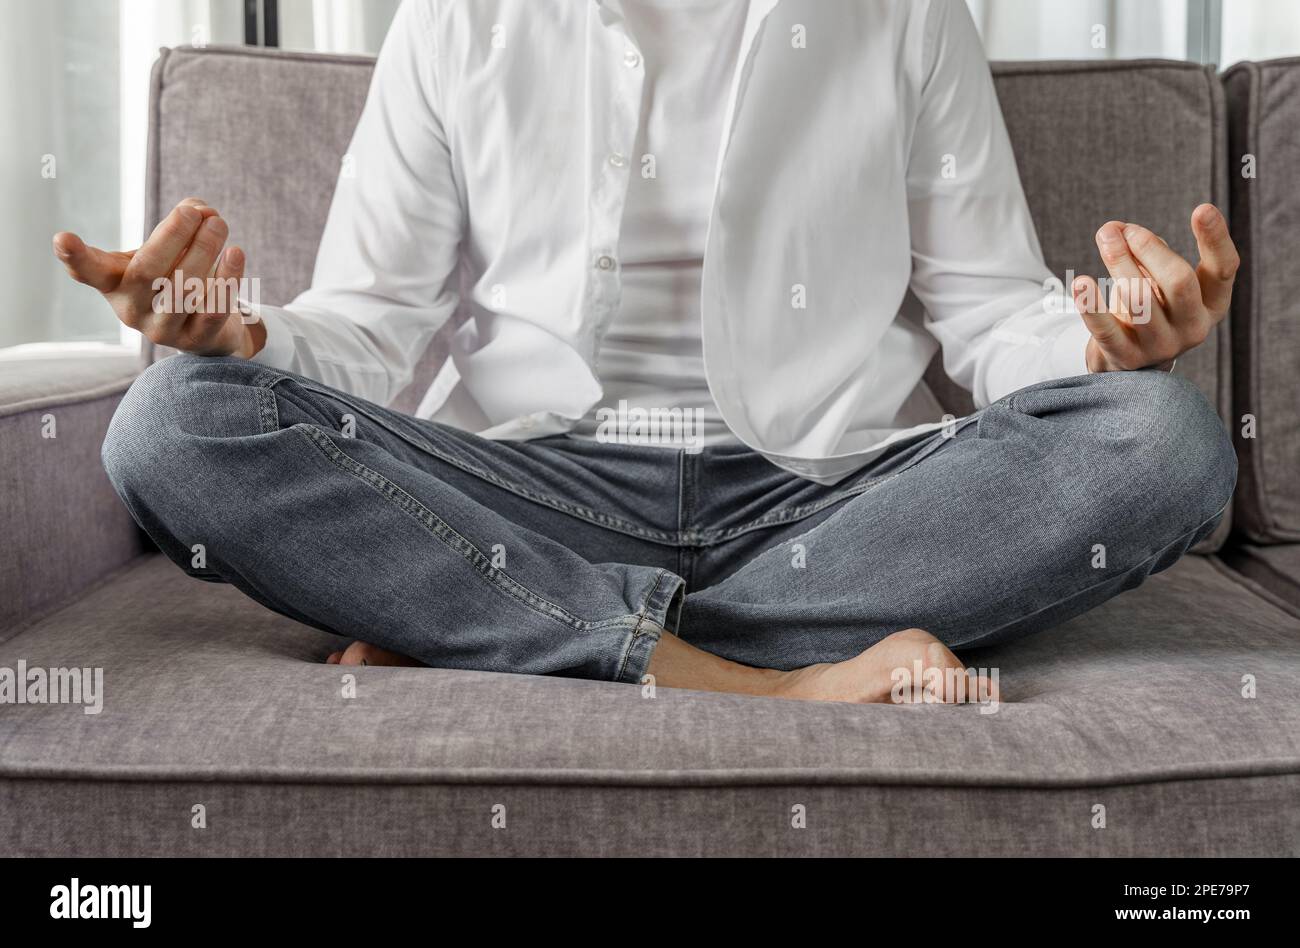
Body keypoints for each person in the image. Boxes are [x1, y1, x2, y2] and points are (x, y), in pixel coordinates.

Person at [54, 0, 1238, 703]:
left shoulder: (900, 11)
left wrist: (1100, 345)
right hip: (535, 485)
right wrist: (237, 338)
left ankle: (498, 628)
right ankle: (770, 682)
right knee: (175, 419)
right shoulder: (461, 17)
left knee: (1162, 440)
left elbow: (988, 318)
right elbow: (367, 326)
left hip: (829, 505)